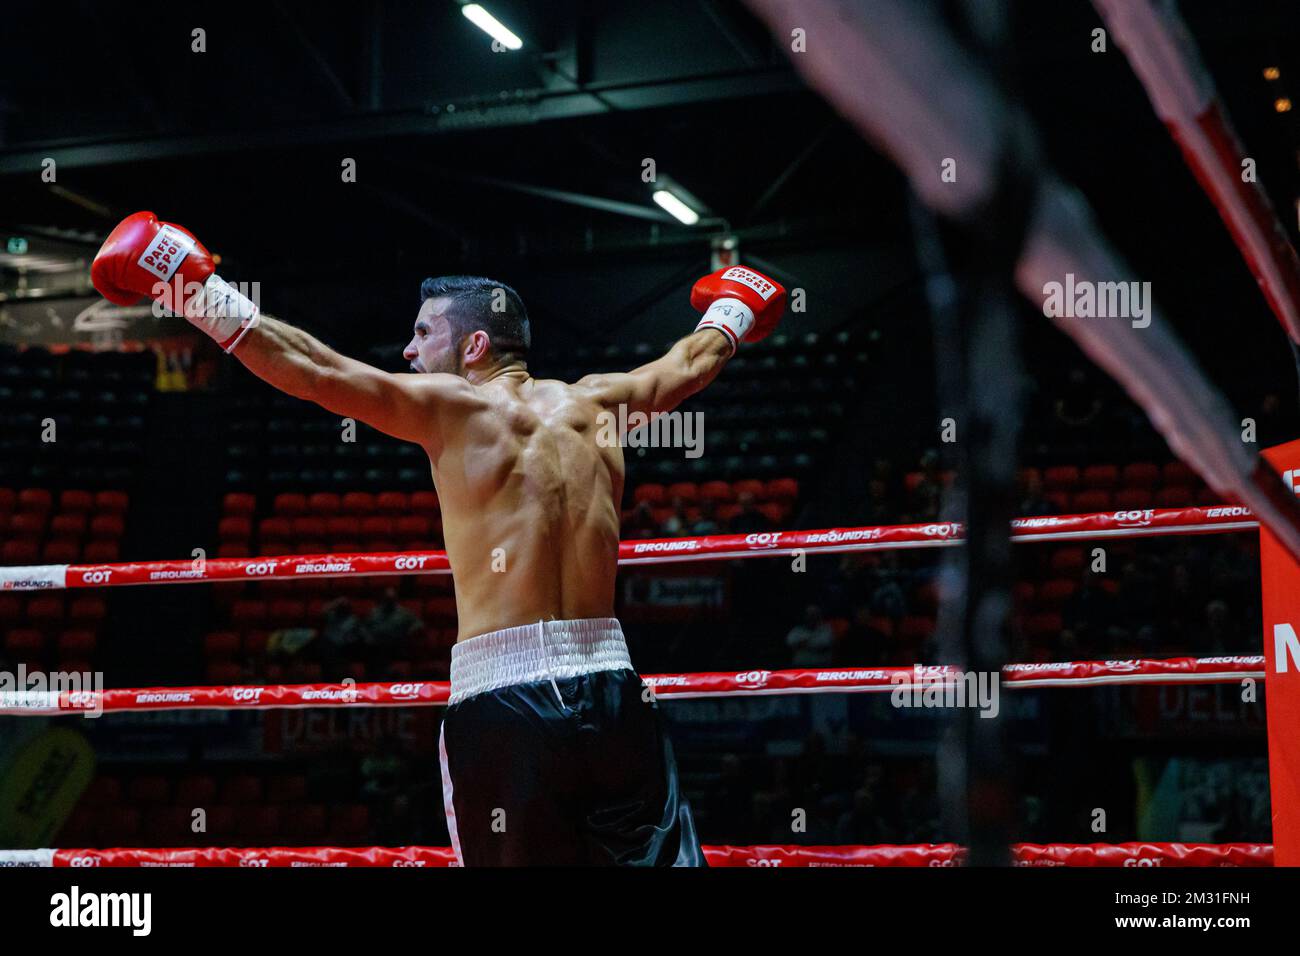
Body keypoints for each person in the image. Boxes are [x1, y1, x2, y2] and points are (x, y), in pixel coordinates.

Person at [91, 211, 787, 867]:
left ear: (474, 345)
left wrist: (190, 284)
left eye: (423, 334)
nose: (408, 349)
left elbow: (313, 368)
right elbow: (692, 363)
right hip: (614, 688)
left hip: (505, 698)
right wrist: (735, 305)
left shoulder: (452, 409)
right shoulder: (600, 404)